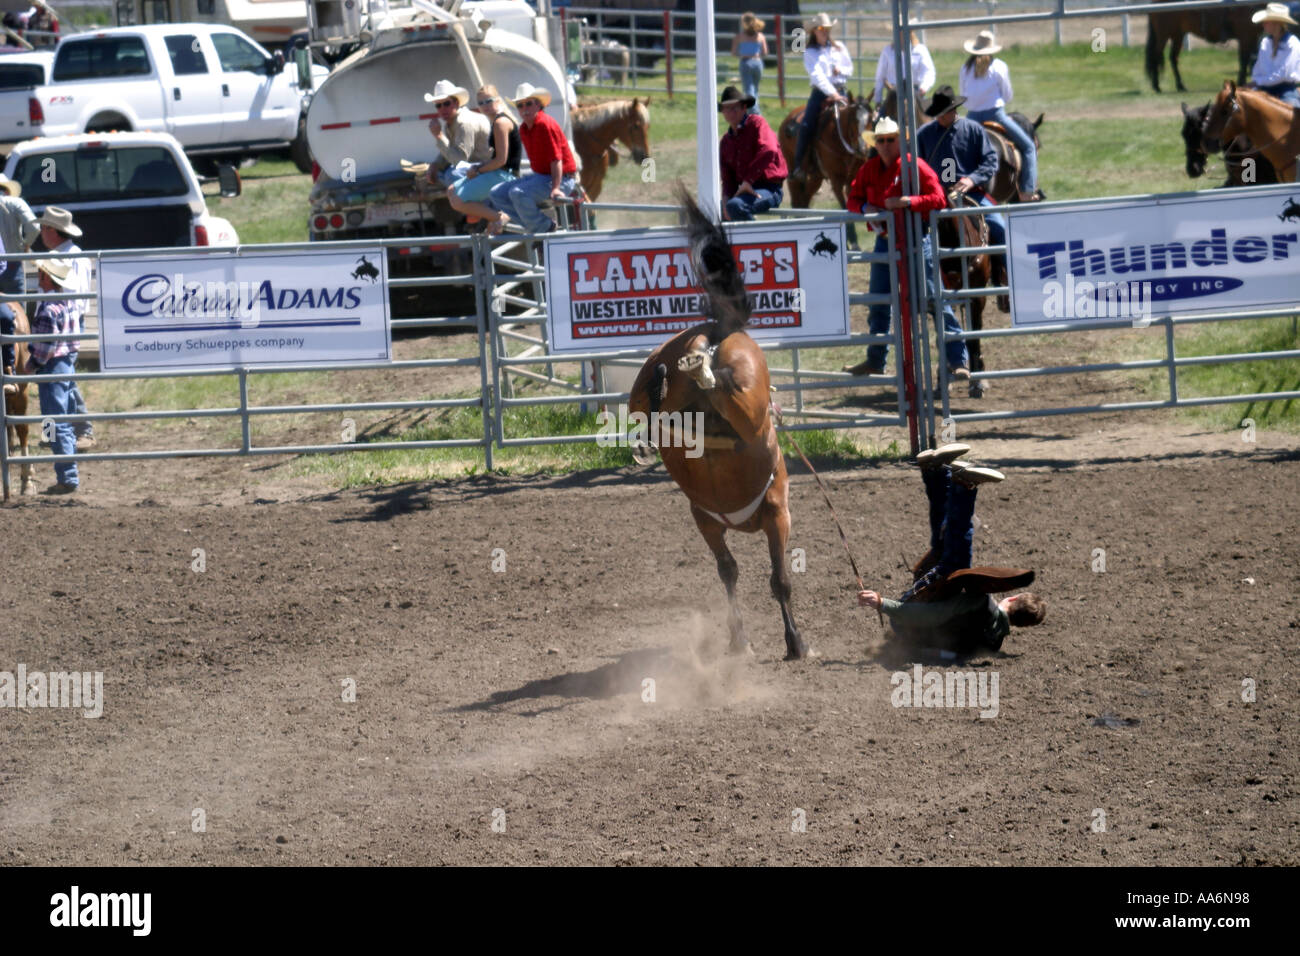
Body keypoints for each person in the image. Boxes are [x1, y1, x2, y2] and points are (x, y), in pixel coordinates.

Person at [857, 443, 1047, 655]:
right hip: (912, 633)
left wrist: (883, 603)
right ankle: (934, 472)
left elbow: (934, 614)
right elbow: (951, 653)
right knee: (942, 550)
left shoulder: (979, 603)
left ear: (1011, 598)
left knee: (956, 566)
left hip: (910, 618)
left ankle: (962, 485)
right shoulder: (993, 643)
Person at [843, 117, 970, 379]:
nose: (886, 145)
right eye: (881, 140)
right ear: (875, 144)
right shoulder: (869, 169)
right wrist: (866, 208)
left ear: (900, 141)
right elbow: (853, 200)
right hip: (885, 241)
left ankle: (958, 360)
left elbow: (938, 199)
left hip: (916, 240)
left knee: (935, 299)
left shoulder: (916, 167)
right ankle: (875, 361)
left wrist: (907, 202)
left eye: (891, 140)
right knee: (879, 302)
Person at [916, 85, 1004, 249]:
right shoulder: (923, 134)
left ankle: (1006, 272)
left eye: (944, 112)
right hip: (934, 198)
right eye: (938, 113)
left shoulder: (973, 129)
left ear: (953, 110)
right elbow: (914, 165)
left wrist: (972, 179)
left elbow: (991, 161)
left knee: (1000, 228)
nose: (940, 117)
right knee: (914, 235)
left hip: (971, 195)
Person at [36, 206, 94, 449]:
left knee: (60, 379)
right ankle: (57, 432)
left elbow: (70, 295)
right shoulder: (71, 254)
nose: (40, 232)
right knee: (54, 380)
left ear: (52, 230)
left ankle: (81, 430)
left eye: (43, 228)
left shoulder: (65, 257)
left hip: (61, 323)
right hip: (64, 321)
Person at [487, 83, 578, 236]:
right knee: (496, 193)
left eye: (528, 103)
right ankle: (537, 227)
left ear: (538, 105)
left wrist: (556, 188)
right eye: (520, 105)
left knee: (518, 193)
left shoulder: (544, 124)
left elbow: (556, 160)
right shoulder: (523, 129)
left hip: (562, 179)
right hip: (542, 177)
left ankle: (543, 229)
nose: (524, 108)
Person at [958, 30, 1038, 203]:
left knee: (955, 149)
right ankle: (1027, 190)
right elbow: (1007, 95)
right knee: (1029, 147)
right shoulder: (999, 66)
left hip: (971, 118)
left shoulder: (965, 68)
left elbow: (963, 96)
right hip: (996, 115)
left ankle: (951, 184)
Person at [24, 257, 80, 493]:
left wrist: (32, 364)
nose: (38, 275)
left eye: (41, 272)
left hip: (52, 366)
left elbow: (46, 348)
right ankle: (60, 458)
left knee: (56, 419)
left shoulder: (47, 310)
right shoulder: (67, 303)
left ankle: (67, 477)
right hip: (66, 363)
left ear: (47, 277)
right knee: (60, 415)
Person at [789, 12, 853, 184]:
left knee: (857, 120)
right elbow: (818, 76)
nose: (824, 31)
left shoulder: (839, 47)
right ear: (814, 31)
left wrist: (842, 71)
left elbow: (850, 68)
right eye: (820, 29)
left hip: (841, 90)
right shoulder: (810, 52)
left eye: (826, 29)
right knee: (807, 124)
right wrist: (832, 93)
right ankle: (799, 166)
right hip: (822, 93)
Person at [446, 84, 520, 226]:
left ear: (498, 101)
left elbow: (501, 160)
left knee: (458, 200)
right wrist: (478, 168)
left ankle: (500, 217)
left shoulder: (501, 123)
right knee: (451, 190)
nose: (485, 106)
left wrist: (478, 170)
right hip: (498, 172)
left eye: (488, 101)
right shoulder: (495, 122)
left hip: (506, 175)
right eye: (481, 103)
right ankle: (491, 218)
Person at [718, 85, 787, 221]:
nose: (730, 112)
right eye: (727, 109)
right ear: (723, 112)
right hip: (744, 191)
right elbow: (728, 180)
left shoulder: (757, 124)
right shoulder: (726, 142)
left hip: (770, 188)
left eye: (734, 108)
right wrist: (725, 201)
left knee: (735, 206)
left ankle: (760, 241)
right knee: (722, 209)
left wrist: (748, 181)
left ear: (744, 108)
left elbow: (770, 149)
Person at [0, 173, 38, 397]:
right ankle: (18, 367)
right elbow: (34, 227)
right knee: (18, 321)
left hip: (5, 266)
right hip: (12, 267)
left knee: (7, 318)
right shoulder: (15, 203)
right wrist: (24, 246)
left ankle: (10, 368)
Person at [423, 79, 493, 191]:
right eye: (438, 105)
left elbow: (460, 160)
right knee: (436, 173)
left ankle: (472, 205)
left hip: (489, 169)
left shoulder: (464, 122)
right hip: (478, 168)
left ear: (456, 103)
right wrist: (435, 165)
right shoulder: (452, 122)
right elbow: (452, 149)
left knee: (451, 175)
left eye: (446, 103)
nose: (442, 109)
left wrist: (439, 136)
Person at [872, 25, 936, 107]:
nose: (900, 34)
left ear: (910, 32)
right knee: (880, 118)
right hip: (893, 93)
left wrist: (924, 87)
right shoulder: (887, 51)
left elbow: (929, 72)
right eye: (898, 31)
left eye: (903, 31)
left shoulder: (920, 50)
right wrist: (878, 100)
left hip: (916, 92)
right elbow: (880, 76)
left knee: (930, 117)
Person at [1249, 5, 1300, 107]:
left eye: (1266, 22)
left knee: (1292, 110)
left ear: (1277, 23)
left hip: (1285, 88)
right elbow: (1258, 68)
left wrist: (1257, 82)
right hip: (1263, 87)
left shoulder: (1292, 43)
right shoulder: (1265, 42)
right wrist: (1255, 82)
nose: (1263, 24)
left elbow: (1283, 74)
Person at [731, 12, 768, 114]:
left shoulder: (739, 37)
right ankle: (752, 111)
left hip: (745, 62)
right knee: (755, 89)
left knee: (748, 90)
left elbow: (734, 53)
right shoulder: (760, 36)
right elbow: (765, 52)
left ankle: (754, 112)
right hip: (757, 63)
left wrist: (743, 53)